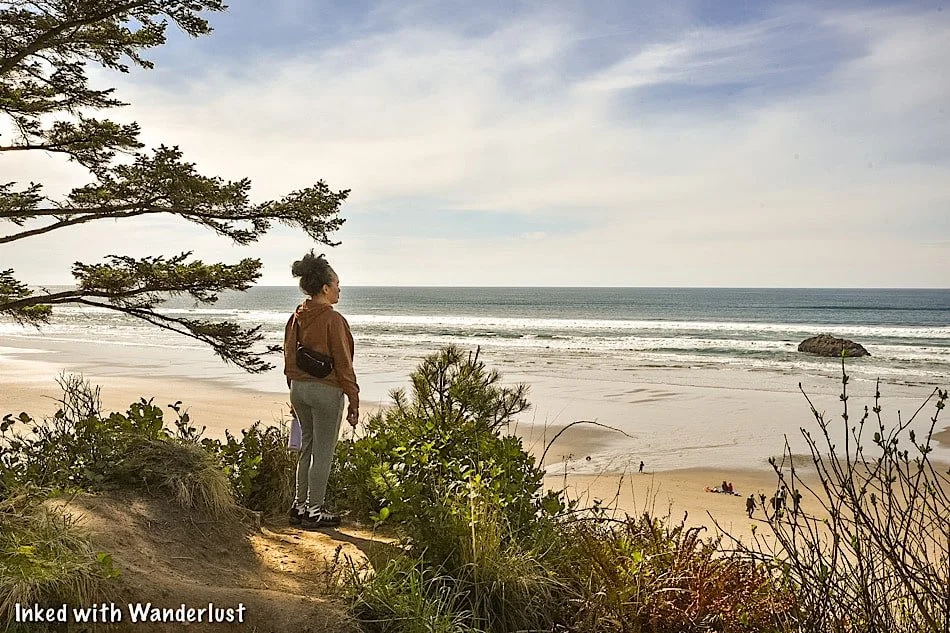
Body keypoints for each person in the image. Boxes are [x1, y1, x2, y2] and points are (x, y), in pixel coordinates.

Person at [283, 252, 359, 530]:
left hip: (299, 389)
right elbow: (343, 363)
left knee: (306, 448)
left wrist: (293, 387)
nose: (340, 289)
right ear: (326, 288)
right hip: (325, 392)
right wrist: (353, 398)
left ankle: (299, 506)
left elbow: (289, 356)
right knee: (323, 453)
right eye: (337, 284)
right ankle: (315, 510)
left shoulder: (296, 316)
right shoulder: (333, 319)